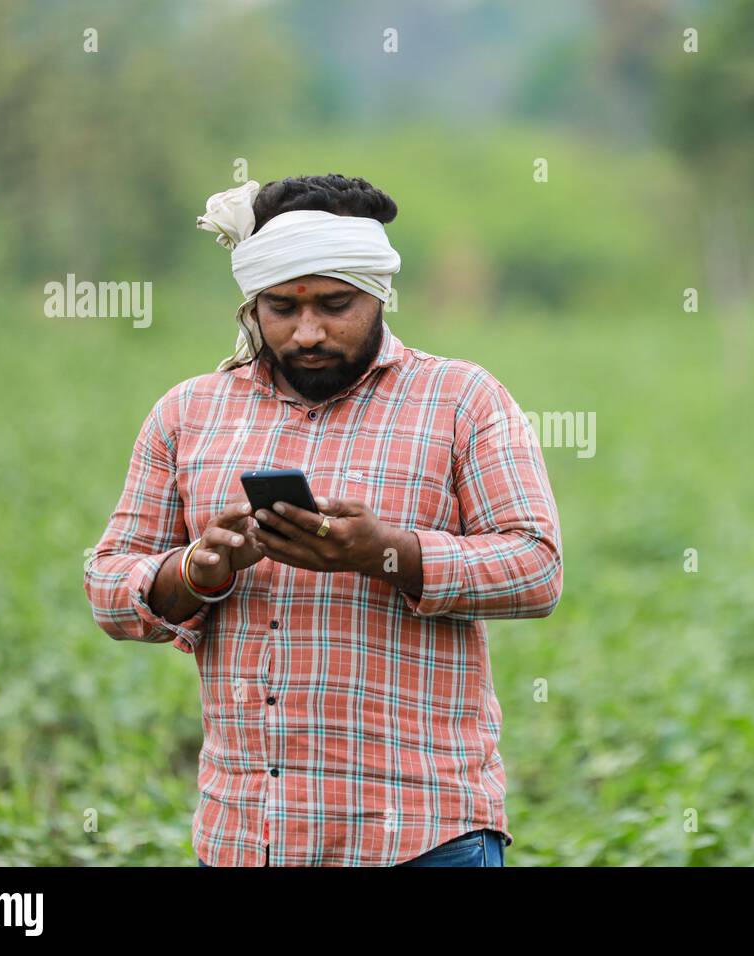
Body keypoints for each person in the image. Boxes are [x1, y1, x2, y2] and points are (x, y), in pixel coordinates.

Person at [84, 174, 563, 866]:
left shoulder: (463, 401)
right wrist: (196, 569)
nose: (308, 332)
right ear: (253, 307)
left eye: (336, 306)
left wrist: (385, 552)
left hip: (425, 833)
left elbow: (537, 568)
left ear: (378, 294)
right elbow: (107, 583)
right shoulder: (189, 414)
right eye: (281, 309)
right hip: (249, 835)